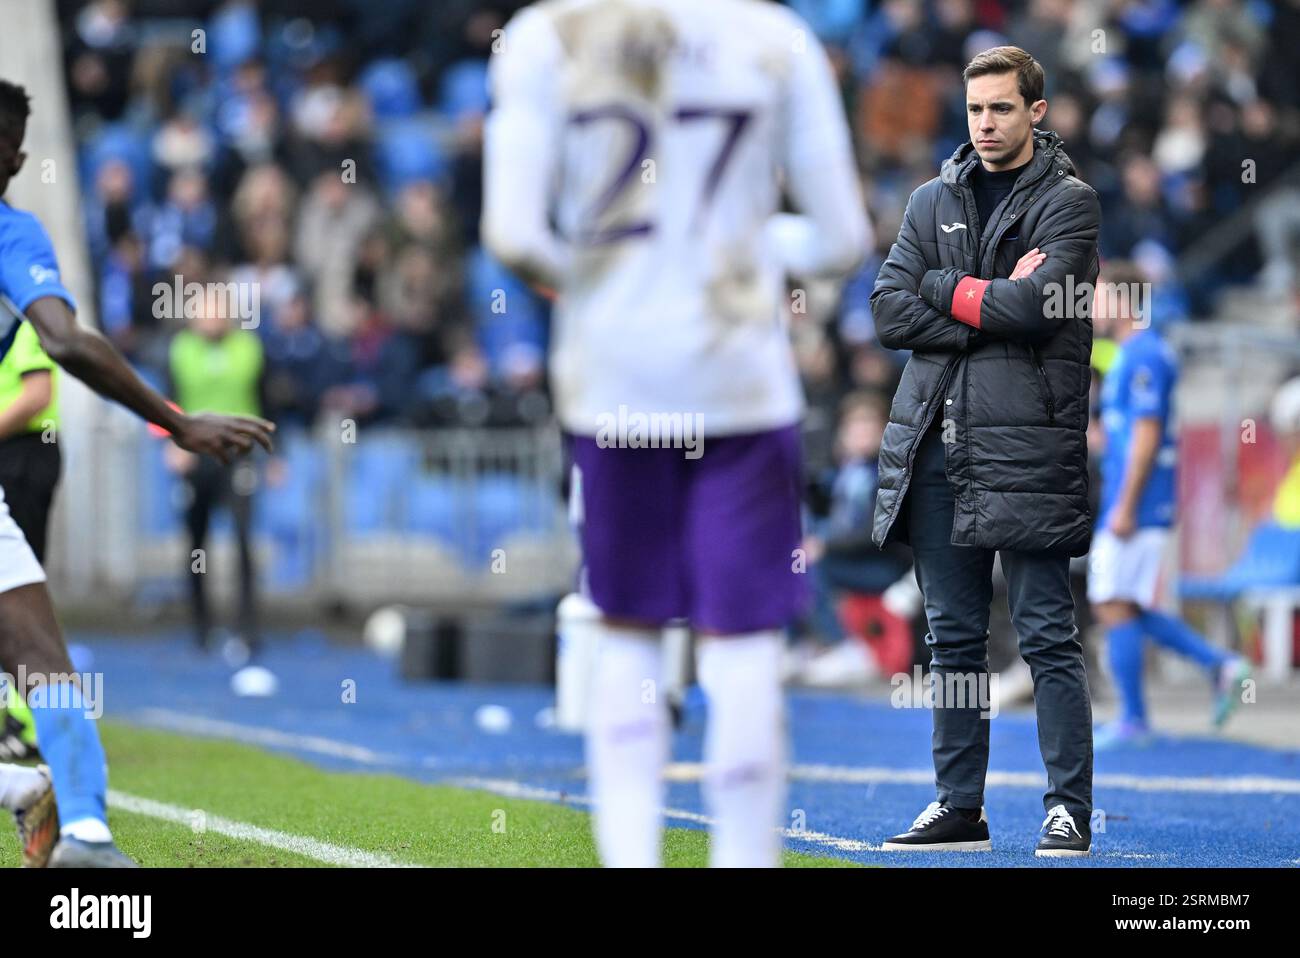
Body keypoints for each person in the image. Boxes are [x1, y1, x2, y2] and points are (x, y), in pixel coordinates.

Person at [483, 0, 868, 866]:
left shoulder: (549, 34)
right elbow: (843, 236)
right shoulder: (777, 39)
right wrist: (750, 245)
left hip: (613, 377)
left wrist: (594, 280)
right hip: (738, 376)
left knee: (626, 631)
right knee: (744, 648)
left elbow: (511, 234)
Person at [0, 79, 274, 867]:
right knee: (43, 664)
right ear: (18, 158)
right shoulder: (14, 236)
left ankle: (68, 823)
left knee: (39, 660)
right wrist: (177, 419)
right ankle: (81, 831)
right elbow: (65, 341)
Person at [869, 47, 1100, 857]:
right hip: (935, 441)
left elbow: (1039, 309)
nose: (987, 124)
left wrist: (947, 287)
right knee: (952, 639)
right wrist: (980, 299)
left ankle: (1068, 807)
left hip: (1029, 447)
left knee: (1045, 632)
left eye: (1002, 108)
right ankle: (957, 804)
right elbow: (889, 311)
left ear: (1037, 111)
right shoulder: (932, 198)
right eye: (975, 110)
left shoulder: (1071, 203)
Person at [1089, 262, 1252, 748]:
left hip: (1137, 503)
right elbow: (1122, 435)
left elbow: (1146, 435)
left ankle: (1141, 715)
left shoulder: (1144, 355)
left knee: (1112, 603)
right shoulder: (1127, 356)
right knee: (1122, 603)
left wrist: (1125, 505)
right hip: (1132, 498)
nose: (1089, 306)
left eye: (1096, 296)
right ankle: (1217, 667)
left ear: (1124, 299)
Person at [166, 291, 265, 656]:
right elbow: (167, 401)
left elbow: (265, 396)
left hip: (239, 454)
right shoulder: (181, 349)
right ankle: (202, 628)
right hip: (196, 456)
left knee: (242, 539)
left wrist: (278, 452)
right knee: (196, 545)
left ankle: (247, 628)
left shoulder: (249, 348)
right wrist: (170, 443)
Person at [797, 390, 914, 687]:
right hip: (847, 558)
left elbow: (876, 533)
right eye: (854, 426)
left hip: (883, 565)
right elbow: (819, 508)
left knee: (811, 566)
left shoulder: (888, 473)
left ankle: (848, 648)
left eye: (867, 426)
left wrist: (824, 546)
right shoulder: (844, 471)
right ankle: (801, 645)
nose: (860, 433)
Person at [0, 320, 60, 761]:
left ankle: (30, 719)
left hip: (24, 452)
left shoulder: (22, 323)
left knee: (19, 588)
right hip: (13, 452)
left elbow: (38, 394)